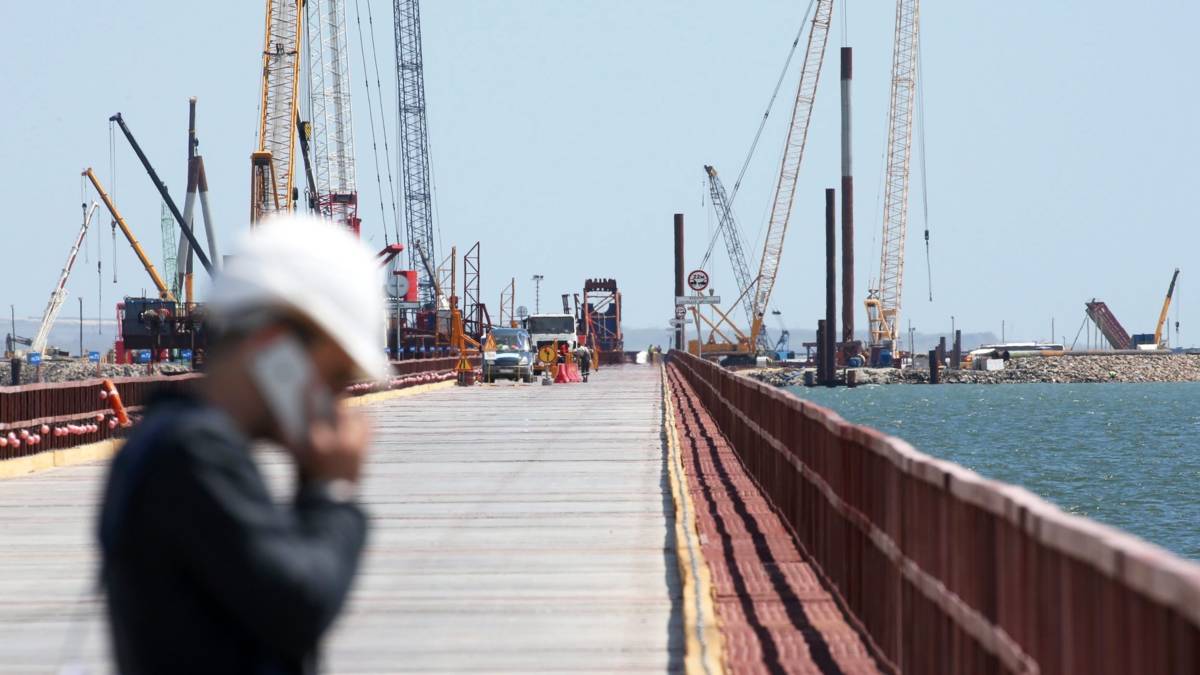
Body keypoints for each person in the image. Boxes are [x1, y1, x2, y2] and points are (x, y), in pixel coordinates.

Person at [97, 215, 388, 674]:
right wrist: (332, 494)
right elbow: (297, 605)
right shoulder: (192, 455)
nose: (335, 402)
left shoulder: (171, 441)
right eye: (334, 378)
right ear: (276, 351)